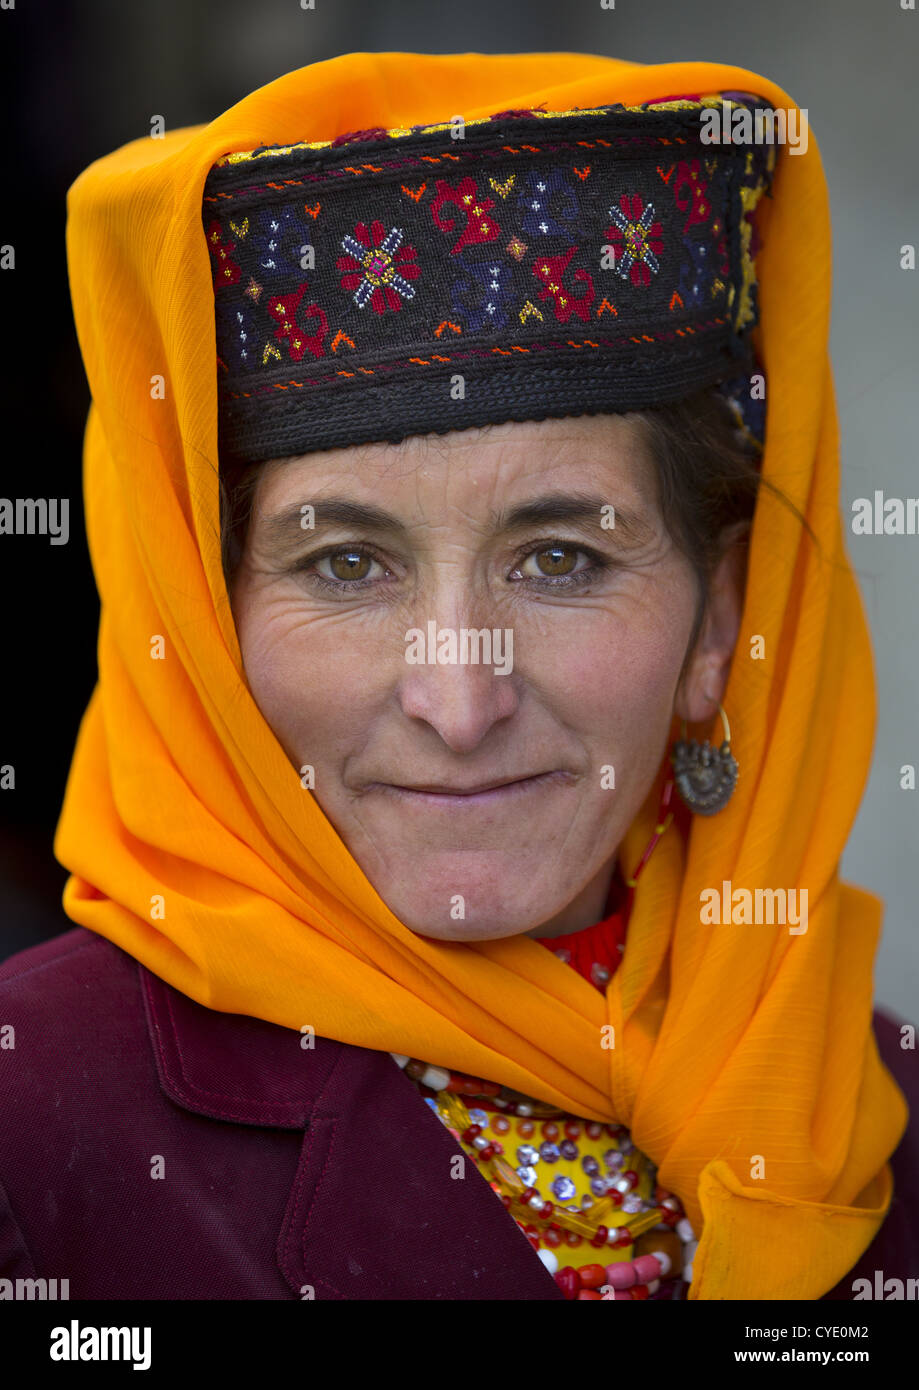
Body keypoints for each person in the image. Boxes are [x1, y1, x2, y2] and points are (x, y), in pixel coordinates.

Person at [0, 50, 912, 1302]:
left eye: (558, 557)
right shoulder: (35, 1122)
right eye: (345, 565)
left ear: (722, 629)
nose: (458, 699)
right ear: (208, 629)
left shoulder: (885, 1116)